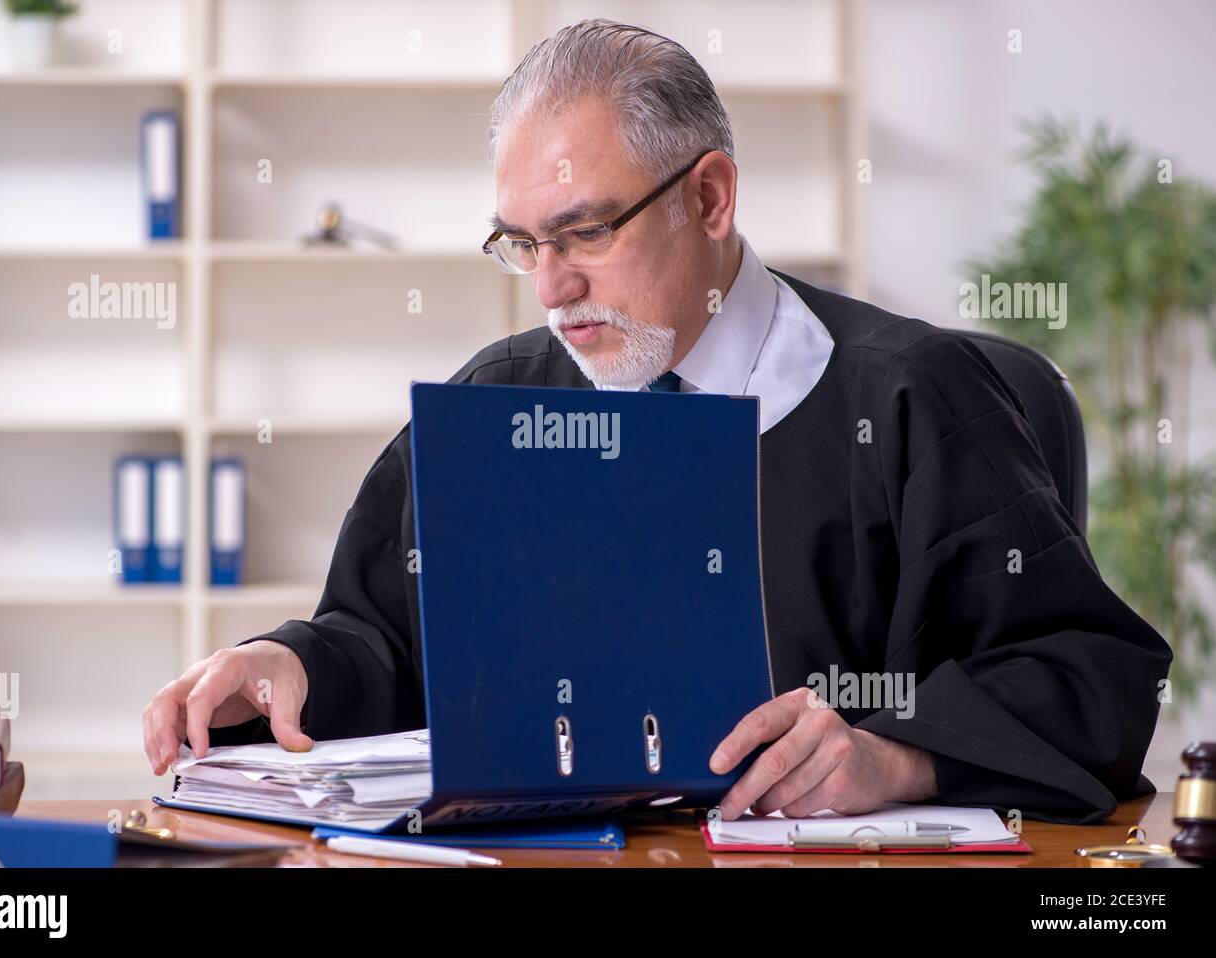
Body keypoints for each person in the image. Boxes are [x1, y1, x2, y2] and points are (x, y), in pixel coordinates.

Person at [142, 19, 1171, 824]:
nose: (552, 286)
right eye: (519, 243)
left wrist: (895, 756)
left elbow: (1088, 675)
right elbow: (391, 645)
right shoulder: (500, 400)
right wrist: (294, 667)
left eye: (585, 230)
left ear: (711, 197)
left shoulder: (910, 399)